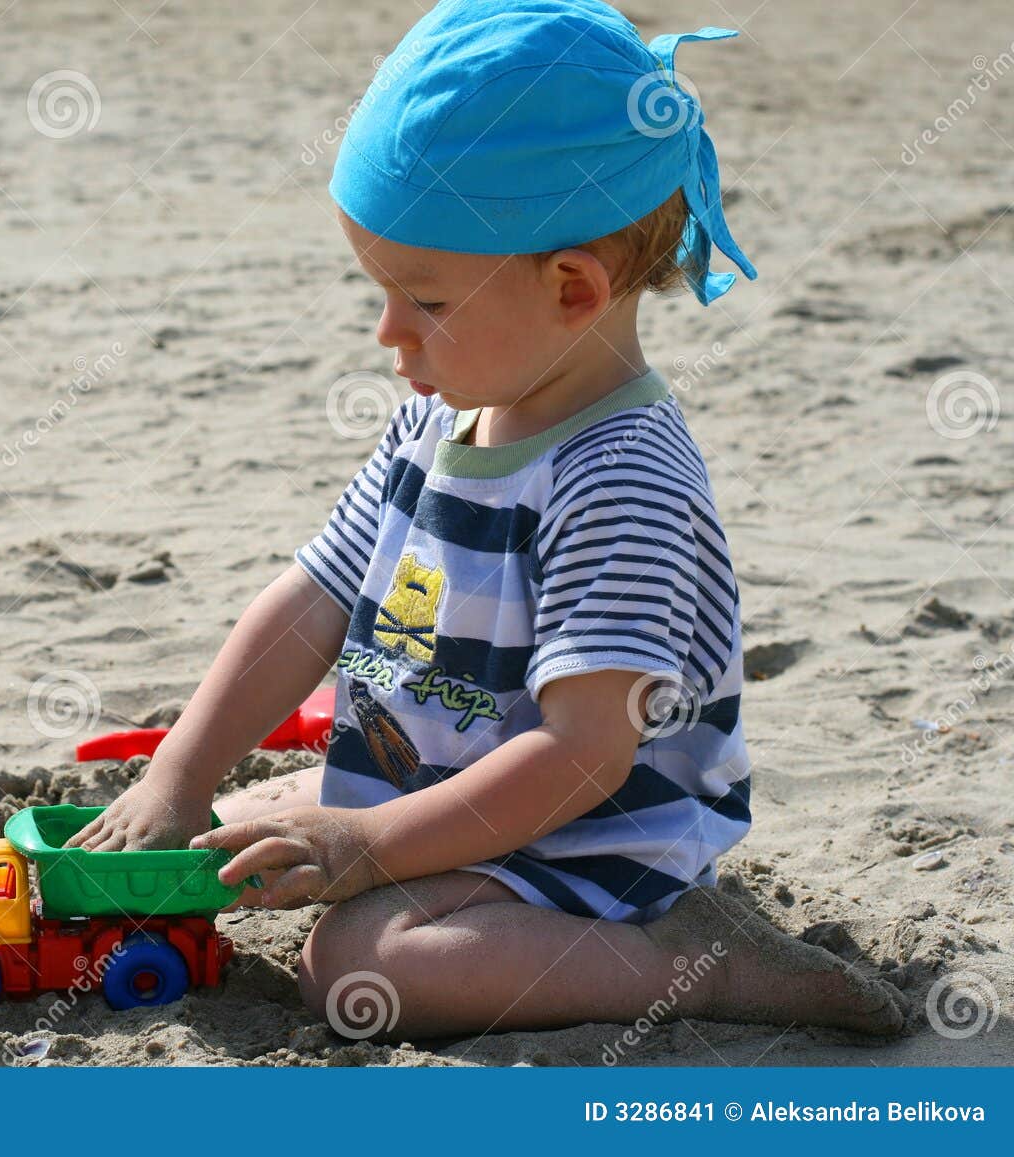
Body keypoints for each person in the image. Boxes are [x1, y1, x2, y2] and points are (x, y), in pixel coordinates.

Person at [68, 0, 905, 1041]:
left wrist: (370, 843)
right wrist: (182, 774)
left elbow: (585, 754)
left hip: (579, 837)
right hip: (453, 779)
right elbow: (311, 601)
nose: (387, 333)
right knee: (231, 839)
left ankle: (689, 957)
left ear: (570, 288)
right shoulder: (436, 414)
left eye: (422, 299)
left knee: (359, 965)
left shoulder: (621, 477)